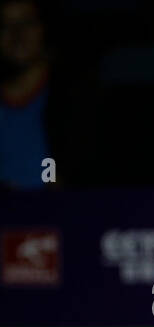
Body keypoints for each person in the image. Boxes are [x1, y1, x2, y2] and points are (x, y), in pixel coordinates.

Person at [0, 0, 80, 189]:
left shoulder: (72, 93)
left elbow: (63, 164)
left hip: (54, 209)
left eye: (27, 23)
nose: (17, 35)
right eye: (5, 26)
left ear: (44, 28)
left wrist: (53, 182)